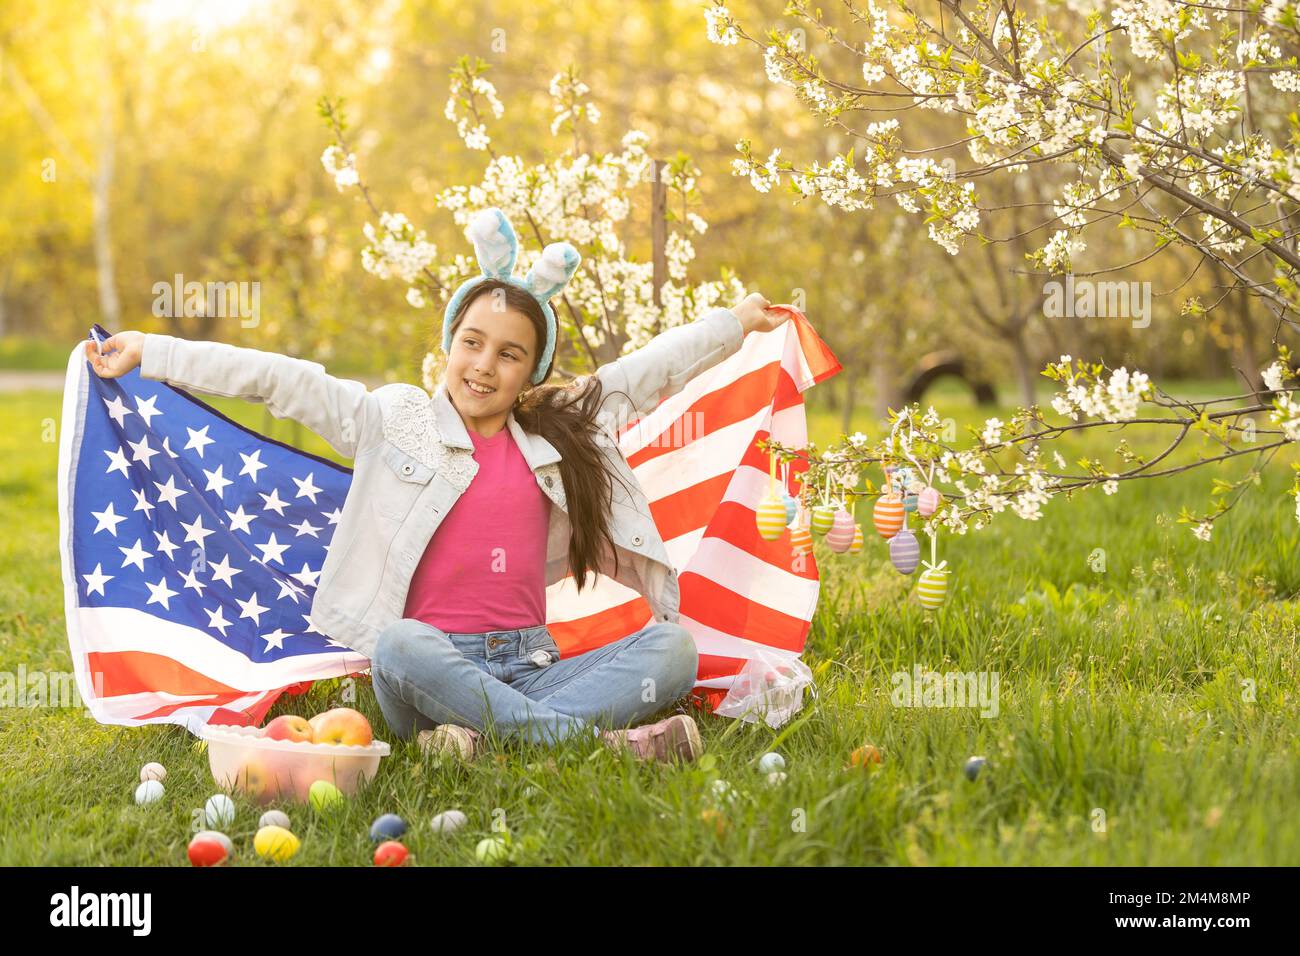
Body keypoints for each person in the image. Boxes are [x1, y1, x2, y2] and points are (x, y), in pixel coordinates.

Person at [85, 207, 789, 764]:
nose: (484, 366)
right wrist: (156, 351)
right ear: (448, 345)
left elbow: (648, 370)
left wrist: (735, 323)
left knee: (672, 652)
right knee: (397, 645)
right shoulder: (395, 422)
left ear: (531, 369)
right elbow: (281, 382)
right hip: (430, 673)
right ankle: (596, 744)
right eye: (472, 343)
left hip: (532, 663)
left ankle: (481, 744)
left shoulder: (555, 433)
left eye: (509, 353)